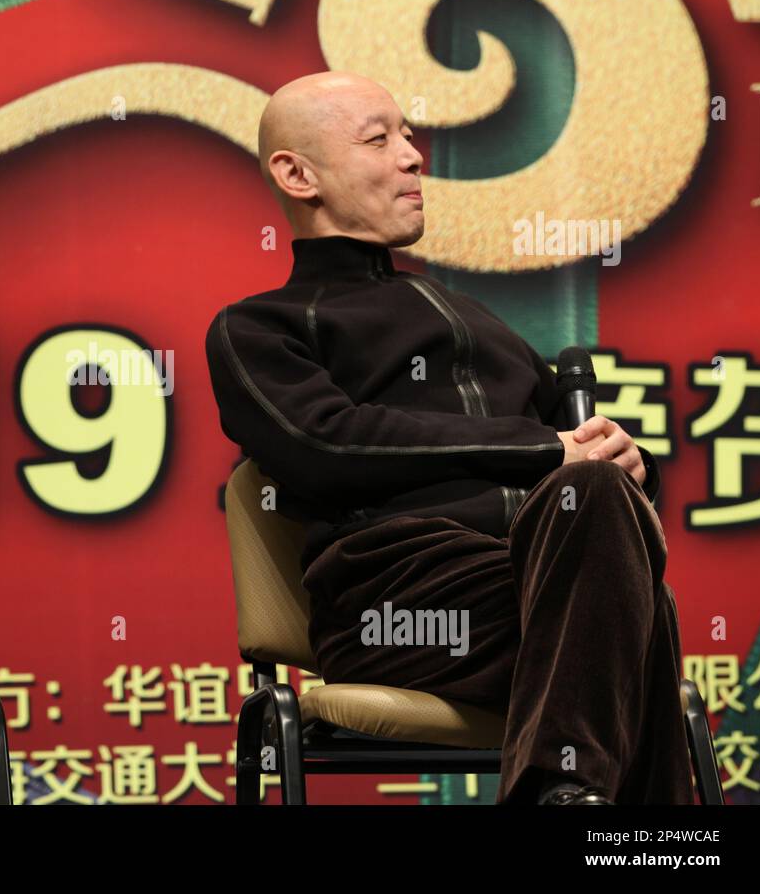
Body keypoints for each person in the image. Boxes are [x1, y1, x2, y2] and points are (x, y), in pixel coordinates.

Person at [205, 71, 692, 804]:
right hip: (396, 614)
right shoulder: (259, 327)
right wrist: (544, 453)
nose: (413, 156)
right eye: (380, 139)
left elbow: (584, 465)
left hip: (540, 592)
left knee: (618, 561)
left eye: (408, 134)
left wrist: (632, 465)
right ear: (297, 173)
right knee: (636, 620)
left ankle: (564, 797)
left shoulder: (484, 325)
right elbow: (327, 448)